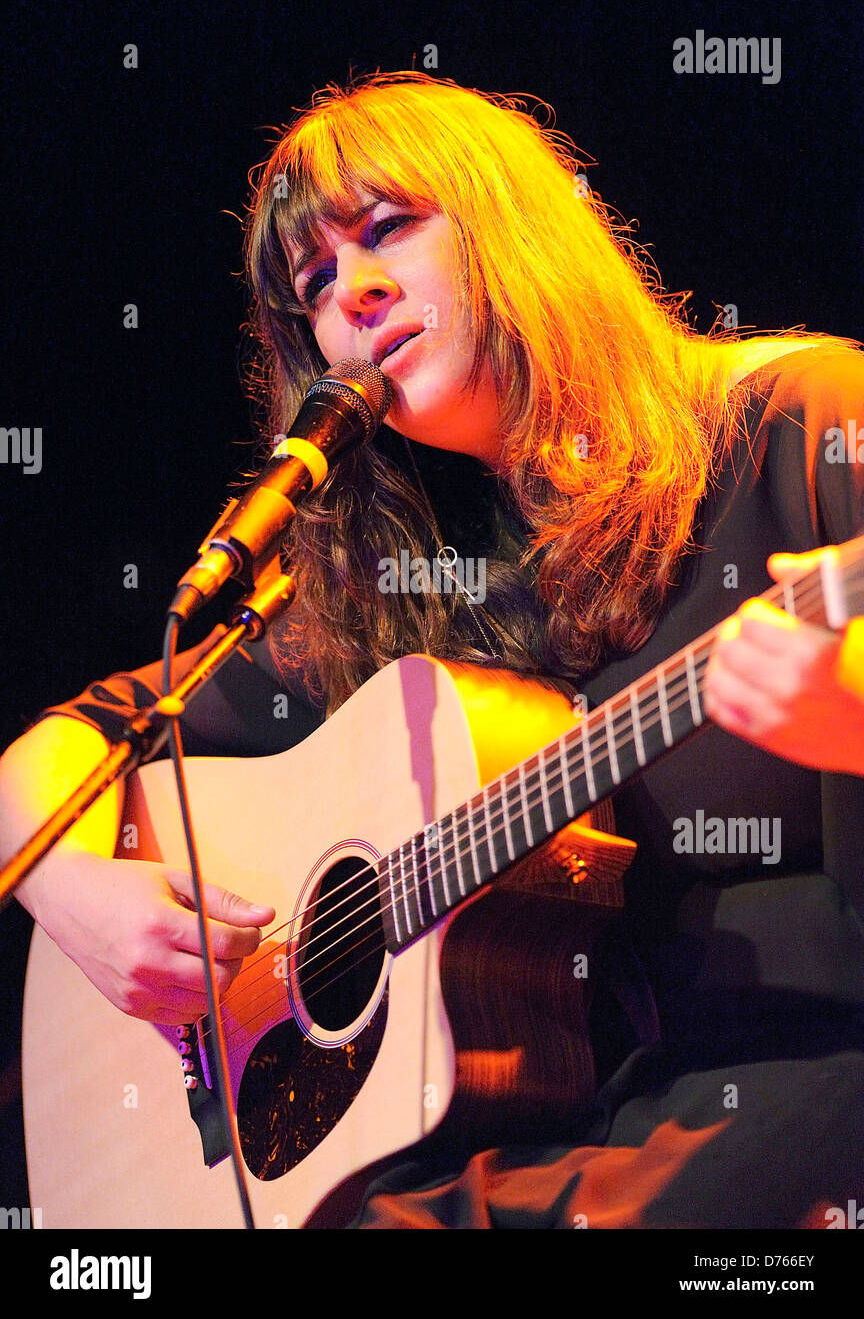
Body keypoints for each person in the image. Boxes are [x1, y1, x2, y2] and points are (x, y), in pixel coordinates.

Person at [3, 69, 864, 1229]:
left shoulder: (799, 421)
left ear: (515, 232)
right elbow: (79, 744)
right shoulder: (394, 586)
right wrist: (71, 888)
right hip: (550, 1140)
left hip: (797, 1102)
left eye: (388, 230)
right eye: (313, 282)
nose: (351, 292)